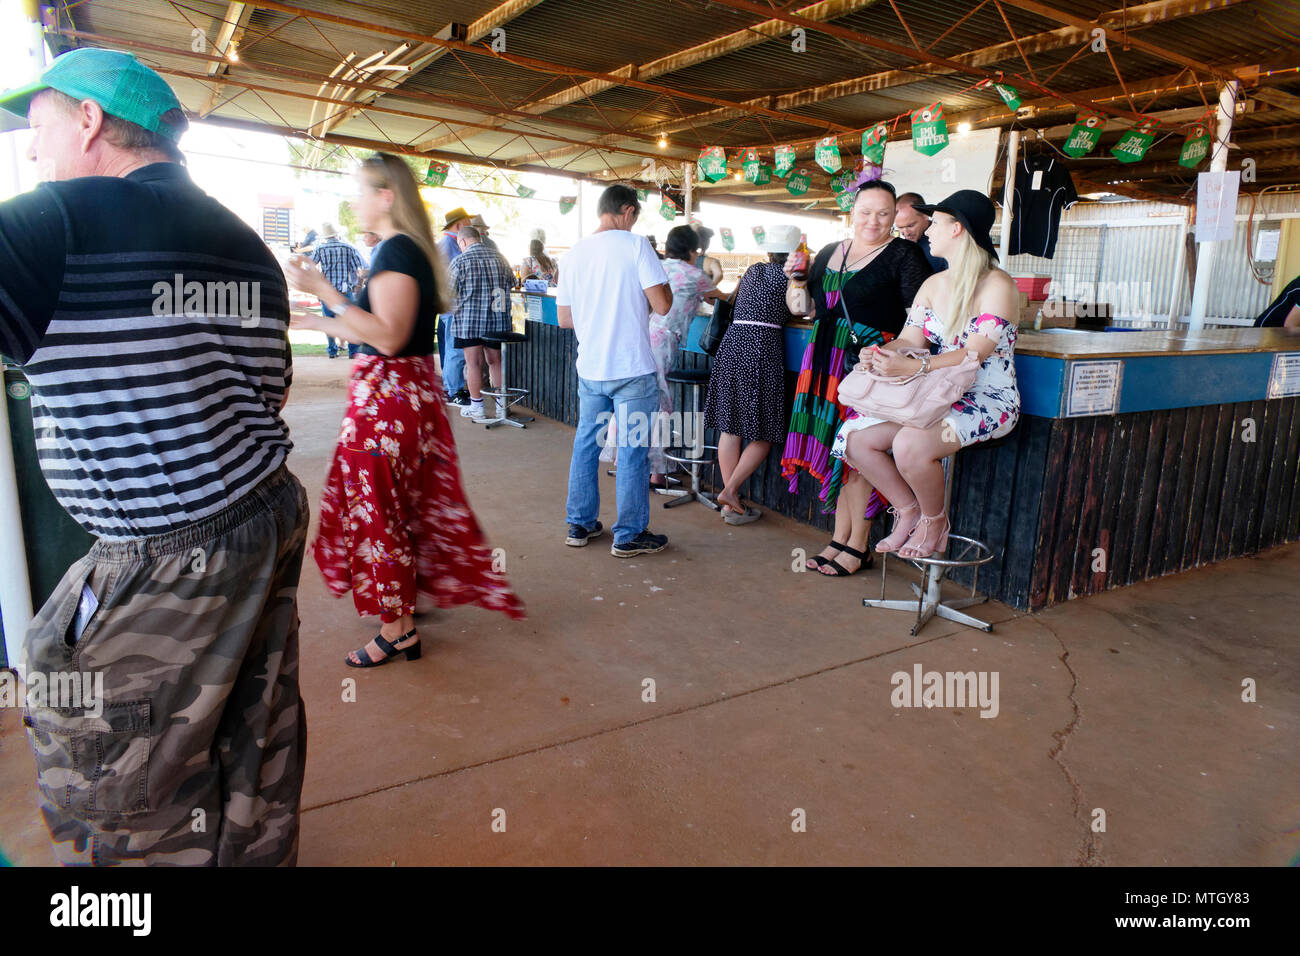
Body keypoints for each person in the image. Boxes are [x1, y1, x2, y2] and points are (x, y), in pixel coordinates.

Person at [0, 48, 306, 865]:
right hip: (262, 507)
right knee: (253, 725)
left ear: (90, 121)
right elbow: (265, 387)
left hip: (166, 549)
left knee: (109, 757)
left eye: (41, 127)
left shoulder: (54, 221)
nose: (35, 151)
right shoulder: (242, 243)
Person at [285, 154, 524, 666]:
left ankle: (398, 629)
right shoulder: (403, 251)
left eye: (360, 191)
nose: (354, 201)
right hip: (400, 395)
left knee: (378, 513)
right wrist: (314, 323)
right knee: (395, 506)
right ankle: (402, 605)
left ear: (386, 196)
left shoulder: (396, 250)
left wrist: (323, 292)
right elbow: (374, 333)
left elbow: (388, 337)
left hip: (388, 404)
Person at [841, 189, 1020, 559]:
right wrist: (879, 354)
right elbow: (911, 339)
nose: (927, 232)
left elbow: (975, 353)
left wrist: (914, 366)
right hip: (937, 394)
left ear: (957, 229)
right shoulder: (933, 283)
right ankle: (908, 511)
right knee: (856, 440)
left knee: (909, 445)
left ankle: (935, 521)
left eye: (935, 223)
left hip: (988, 400)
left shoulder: (998, 285)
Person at [782, 177, 932, 577]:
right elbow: (810, 308)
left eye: (885, 213)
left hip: (870, 364)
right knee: (837, 449)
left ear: (895, 216)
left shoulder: (904, 254)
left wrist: (889, 355)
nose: (874, 220)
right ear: (852, 212)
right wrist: (796, 280)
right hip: (825, 359)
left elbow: (921, 320)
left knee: (855, 452)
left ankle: (859, 545)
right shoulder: (832, 250)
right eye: (866, 212)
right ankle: (838, 538)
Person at [557, 184, 673, 557]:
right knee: (633, 450)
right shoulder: (636, 245)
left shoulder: (573, 254)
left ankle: (580, 523)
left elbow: (564, 318)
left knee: (586, 444)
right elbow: (664, 304)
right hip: (632, 367)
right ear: (626, 211)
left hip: (590, 368)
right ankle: (629, 534)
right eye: (635, 215)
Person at [706, 225, 798, 525]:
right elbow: (801, 310)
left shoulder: (753, 271)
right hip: (761, 350)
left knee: (730, 427)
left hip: (732, 344)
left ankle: (730, 506)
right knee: (766, 432)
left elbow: (733, 301)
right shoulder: (791, 278)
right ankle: (730, 491)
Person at [646, 225, 723, 488]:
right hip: (664, 342)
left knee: (645, 400)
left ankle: (634, 464)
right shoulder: (695, 275)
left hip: (644, 334)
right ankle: (656, 473)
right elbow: (722, 300)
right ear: (694, 250)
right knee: (661, 404)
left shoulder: (658, 267)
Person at [449, 224, 515, 420]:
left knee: (473, 364)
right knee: (496, 362)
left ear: (462, 241)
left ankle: (477, 407)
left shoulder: (460, 261)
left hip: (469, 322)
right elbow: (512, 283)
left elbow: (448, 292)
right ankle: (501, 405)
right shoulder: (501, 258)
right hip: (498, 321)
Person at [312, 222, 366, 358]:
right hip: (344, 291)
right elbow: (360, 266)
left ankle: (332, 350)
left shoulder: (320, 249)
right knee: (350, 320)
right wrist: (355, 284)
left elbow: (310, 267)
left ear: (325, 236)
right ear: (335, 234)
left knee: (328, 321)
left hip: (327, 292)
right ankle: (353, 351)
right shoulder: (348, 247)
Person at [438, 207, 472, 406]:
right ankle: (453, 390)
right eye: (468, 223)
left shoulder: (445, 243)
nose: (470, 227)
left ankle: (452, 387)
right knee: (455, 350)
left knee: (454, 348)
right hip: (454, 306)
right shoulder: (450, 244)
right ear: (459, 224)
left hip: (449, 305)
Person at [896, 192, 947, 272]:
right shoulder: (901, 247)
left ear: (925, 215)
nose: (906, 233)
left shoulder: (944, 241)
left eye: (910, 226)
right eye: (900, 227)